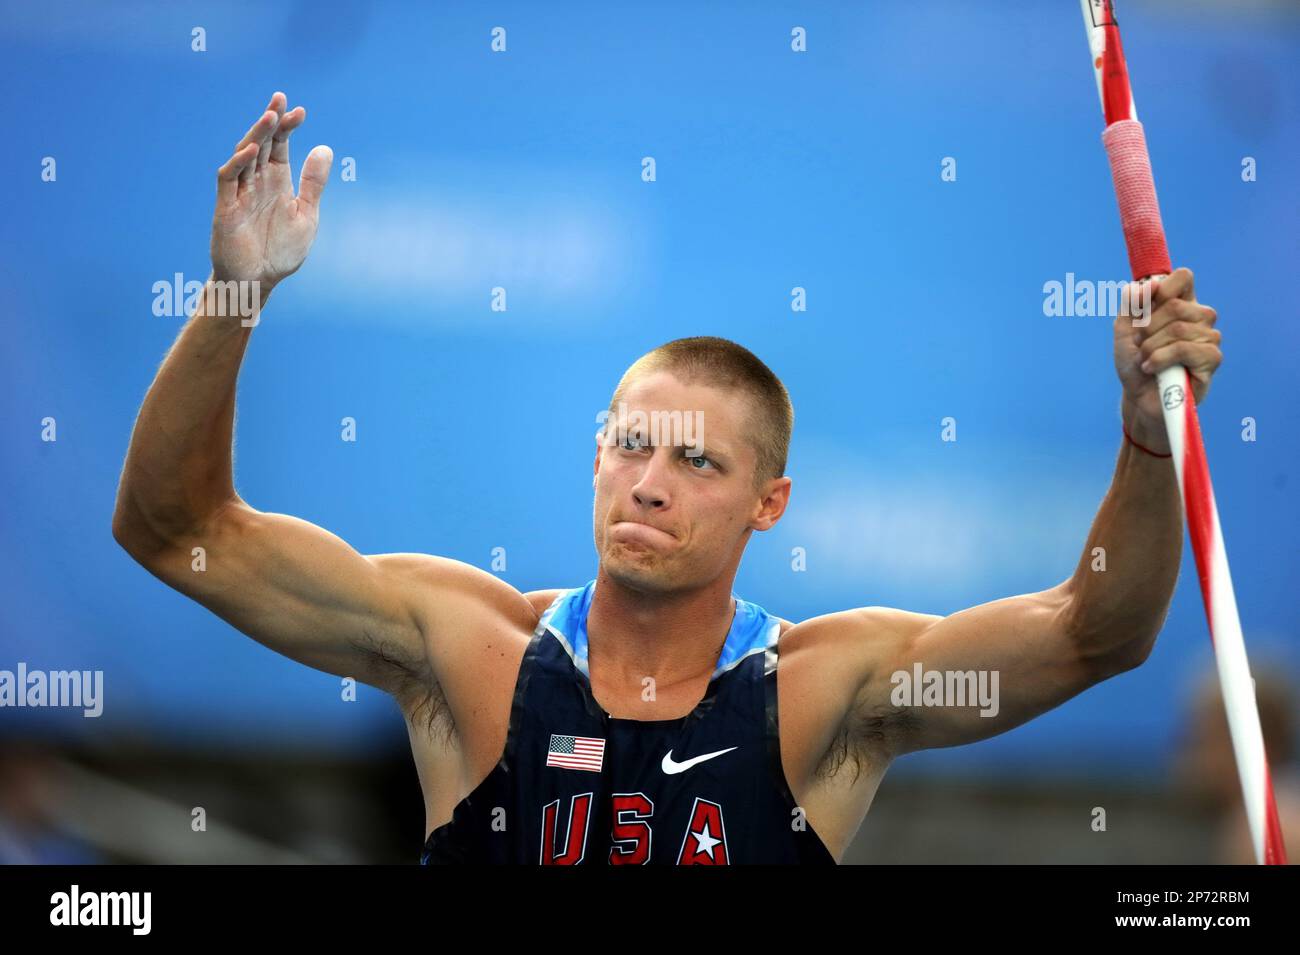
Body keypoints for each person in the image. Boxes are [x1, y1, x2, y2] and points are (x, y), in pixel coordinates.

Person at [112, 92, 1225, 864]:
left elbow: (1096, 633)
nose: (648, 483)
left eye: (696, 461)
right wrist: (233, 297)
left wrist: (1144, 434)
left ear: (768, 503)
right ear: (595, 455)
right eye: (631, 445)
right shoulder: (462, 648)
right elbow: (175, 528)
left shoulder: (830, 693)